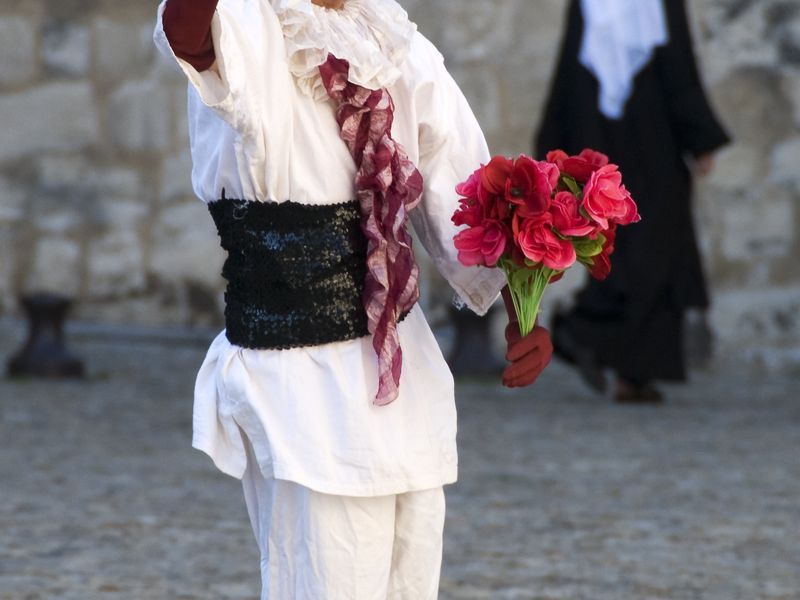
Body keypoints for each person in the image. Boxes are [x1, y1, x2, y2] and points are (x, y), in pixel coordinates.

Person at [154, 0, 553, 597]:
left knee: (410, 571)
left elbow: (462, 185)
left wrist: (521, 302)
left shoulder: (390, 35)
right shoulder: (248, 19)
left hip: (400, 368)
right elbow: (188, 35)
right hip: (300, 374)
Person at [536, 0, 730, 403]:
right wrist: (701, 138)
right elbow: (679, 67)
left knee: (625, 247)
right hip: (653, 140)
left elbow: (568, 76)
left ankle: (629, 370)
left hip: (602, 139)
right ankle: (586, 334)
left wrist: (556, 142)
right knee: (649, 246)